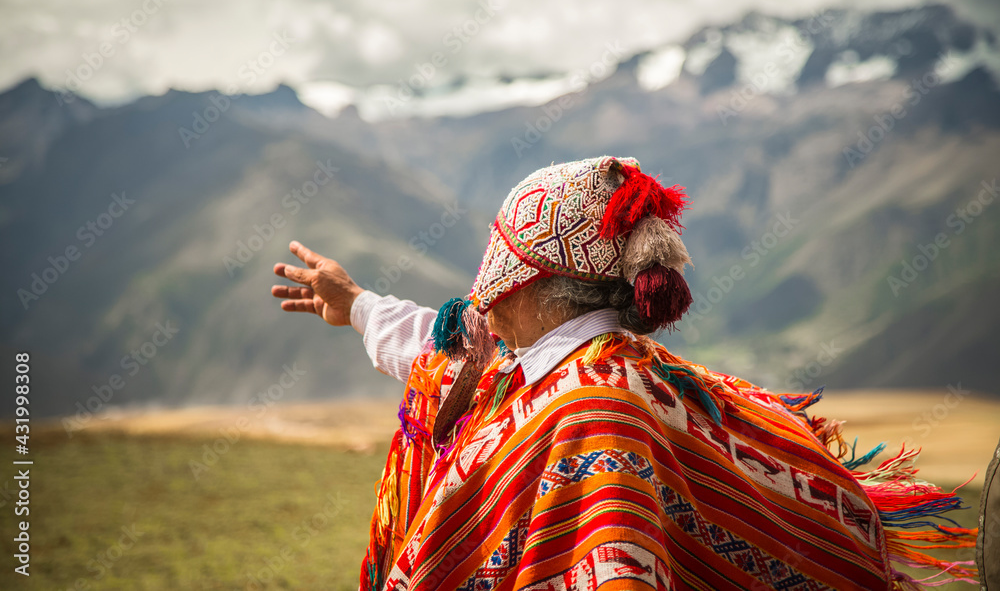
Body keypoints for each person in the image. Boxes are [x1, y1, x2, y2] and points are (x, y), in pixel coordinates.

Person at [273, 156, 978, 591]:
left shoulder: (590, 411)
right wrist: (359, 305)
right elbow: (459, 356)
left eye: (495, 266)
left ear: (525, 283)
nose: (481, 297)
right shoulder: (631, 372)